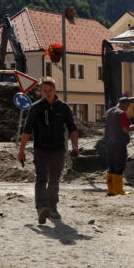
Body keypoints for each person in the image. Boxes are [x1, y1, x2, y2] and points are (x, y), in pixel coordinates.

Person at [18, 76, 79, 224]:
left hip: (58, 149)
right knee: (41, 178)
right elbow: (27, 130)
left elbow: (73, 128)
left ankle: (52, 207)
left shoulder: (63, 107)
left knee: (54, 179)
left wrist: (76, 147)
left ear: (55, 89)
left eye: (50, 90)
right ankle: (41, 208)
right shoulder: (35, 108)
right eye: (45, 91)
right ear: (40, 91)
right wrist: (21, 150)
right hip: (41, 149)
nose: (48, 93)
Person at [105, 95, 134, 196]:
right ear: (123, 104)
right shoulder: (121, 113)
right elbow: (125, 129)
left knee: (111, 165)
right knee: (120, 165)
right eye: (127, 105)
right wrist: (132, 127)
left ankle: (110, 190)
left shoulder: (109, 112)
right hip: (119, 143)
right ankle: (119, 190)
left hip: (109, 143)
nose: (128, 108)